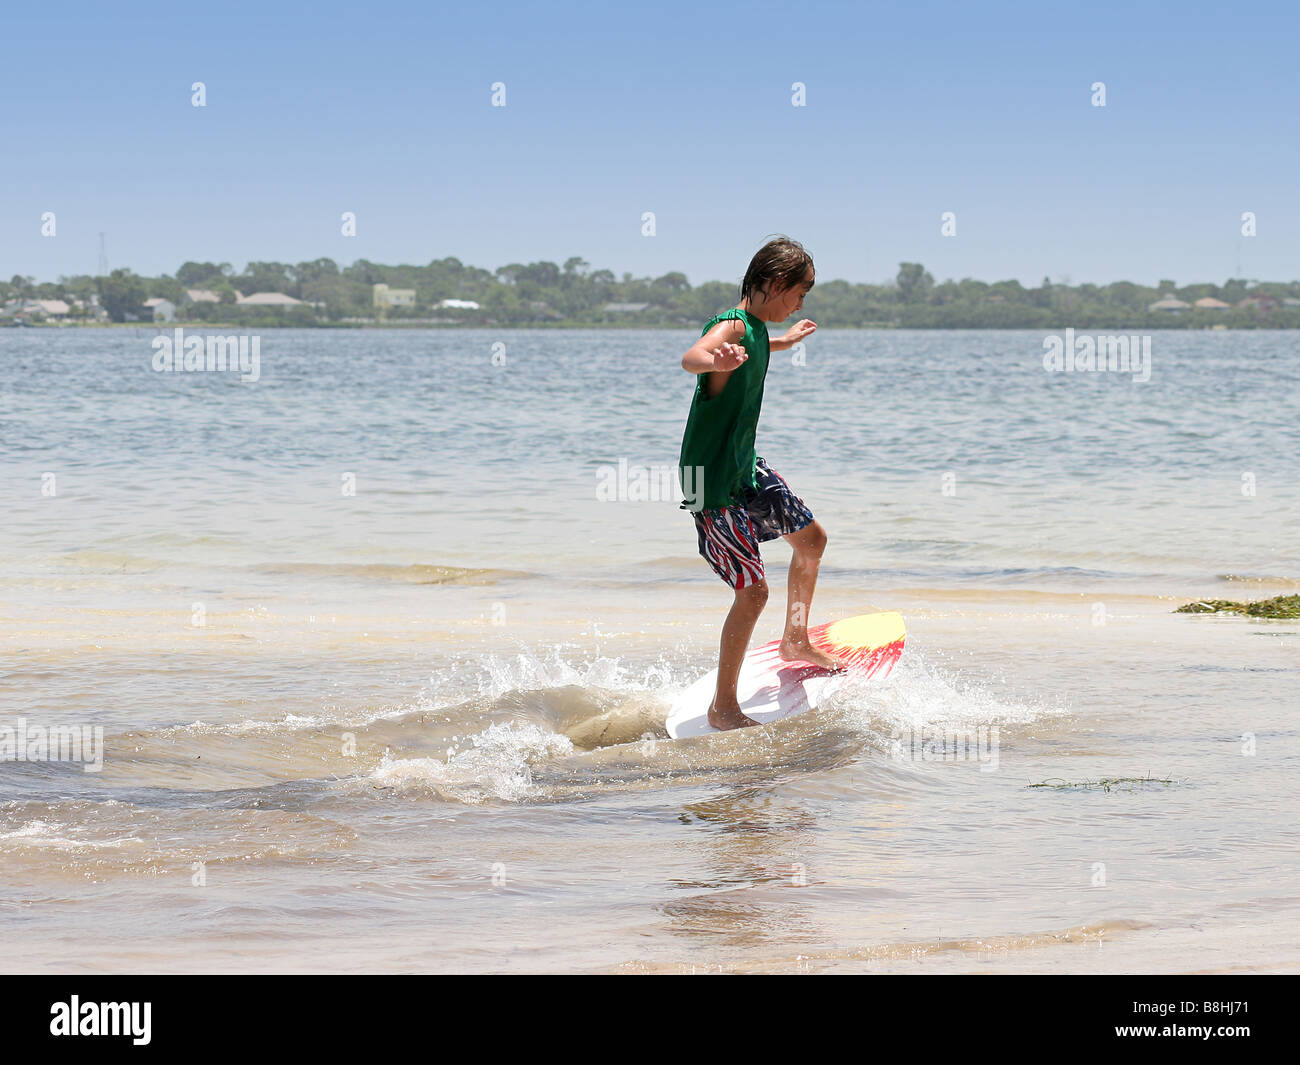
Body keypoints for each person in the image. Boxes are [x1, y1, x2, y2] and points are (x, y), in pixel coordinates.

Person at [677, 235, 842, 731]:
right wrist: (715, 362)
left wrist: (783, 341)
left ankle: (796, 640)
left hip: (743, 466)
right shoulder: (729, 324)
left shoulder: (752, 330)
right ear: (773, 283)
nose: (799, 304)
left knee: (811, 541)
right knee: (752, 593)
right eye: (798, 293)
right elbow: (692, 356)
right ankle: (722, 707)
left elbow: (750, 340)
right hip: (708, 479)